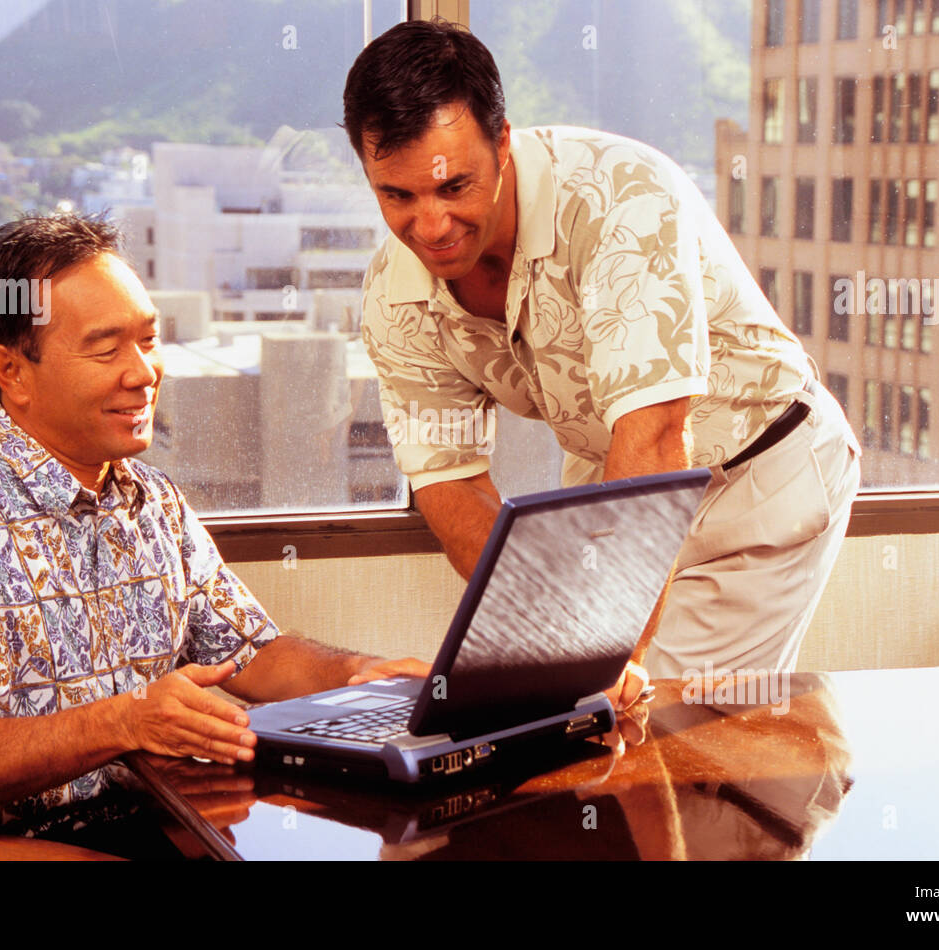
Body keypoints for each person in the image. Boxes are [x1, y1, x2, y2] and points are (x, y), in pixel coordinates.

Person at [0, 213, 426, 832]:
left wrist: (355, 675)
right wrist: (125, 720)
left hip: (169, 824)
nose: (144, 372)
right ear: (12, 372)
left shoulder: (154, 501)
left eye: (148, 340)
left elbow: (252, 654)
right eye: (105, 347)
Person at [344, 21, 861, 706]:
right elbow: (450, 484)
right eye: (398, 196)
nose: (431, 227)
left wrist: (606, 656)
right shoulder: (393, 294)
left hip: (757, 469)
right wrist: (542, 640)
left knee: (662, 721)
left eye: (454, 186)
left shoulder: (622, 203)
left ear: (502, 143)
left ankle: (805, 777)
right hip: (611, 480)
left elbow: (654, 437)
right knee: (570, 716)